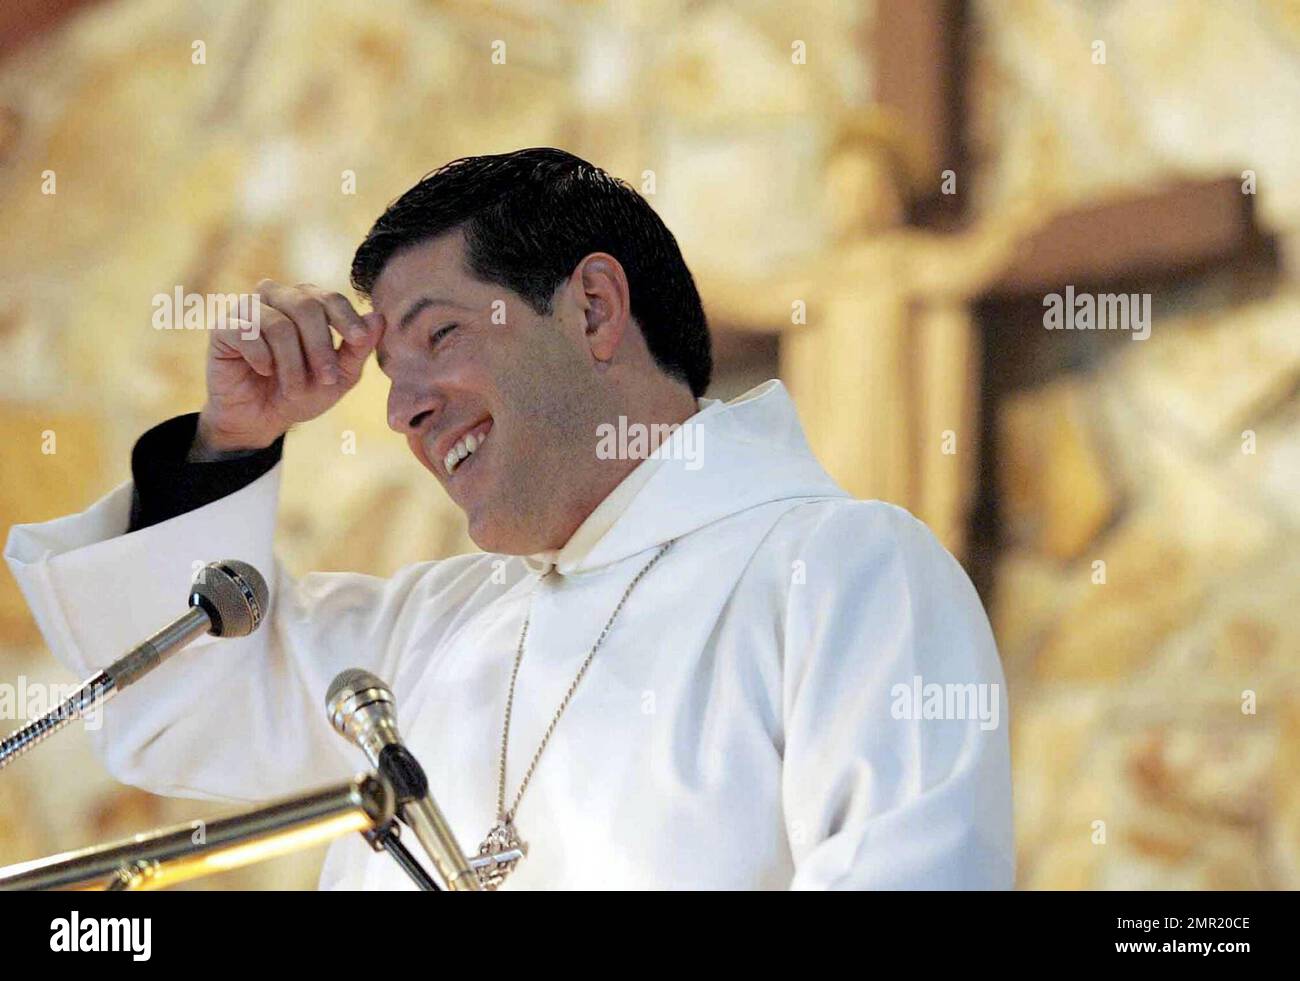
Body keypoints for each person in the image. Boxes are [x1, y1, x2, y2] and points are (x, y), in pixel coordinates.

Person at [5, 147, 1013, 890]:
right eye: (390, 381)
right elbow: (179, 710)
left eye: (440, 336)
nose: (404, 409)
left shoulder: (844, 572)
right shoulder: (431, 628)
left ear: (591, 308)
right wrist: (231, 441)